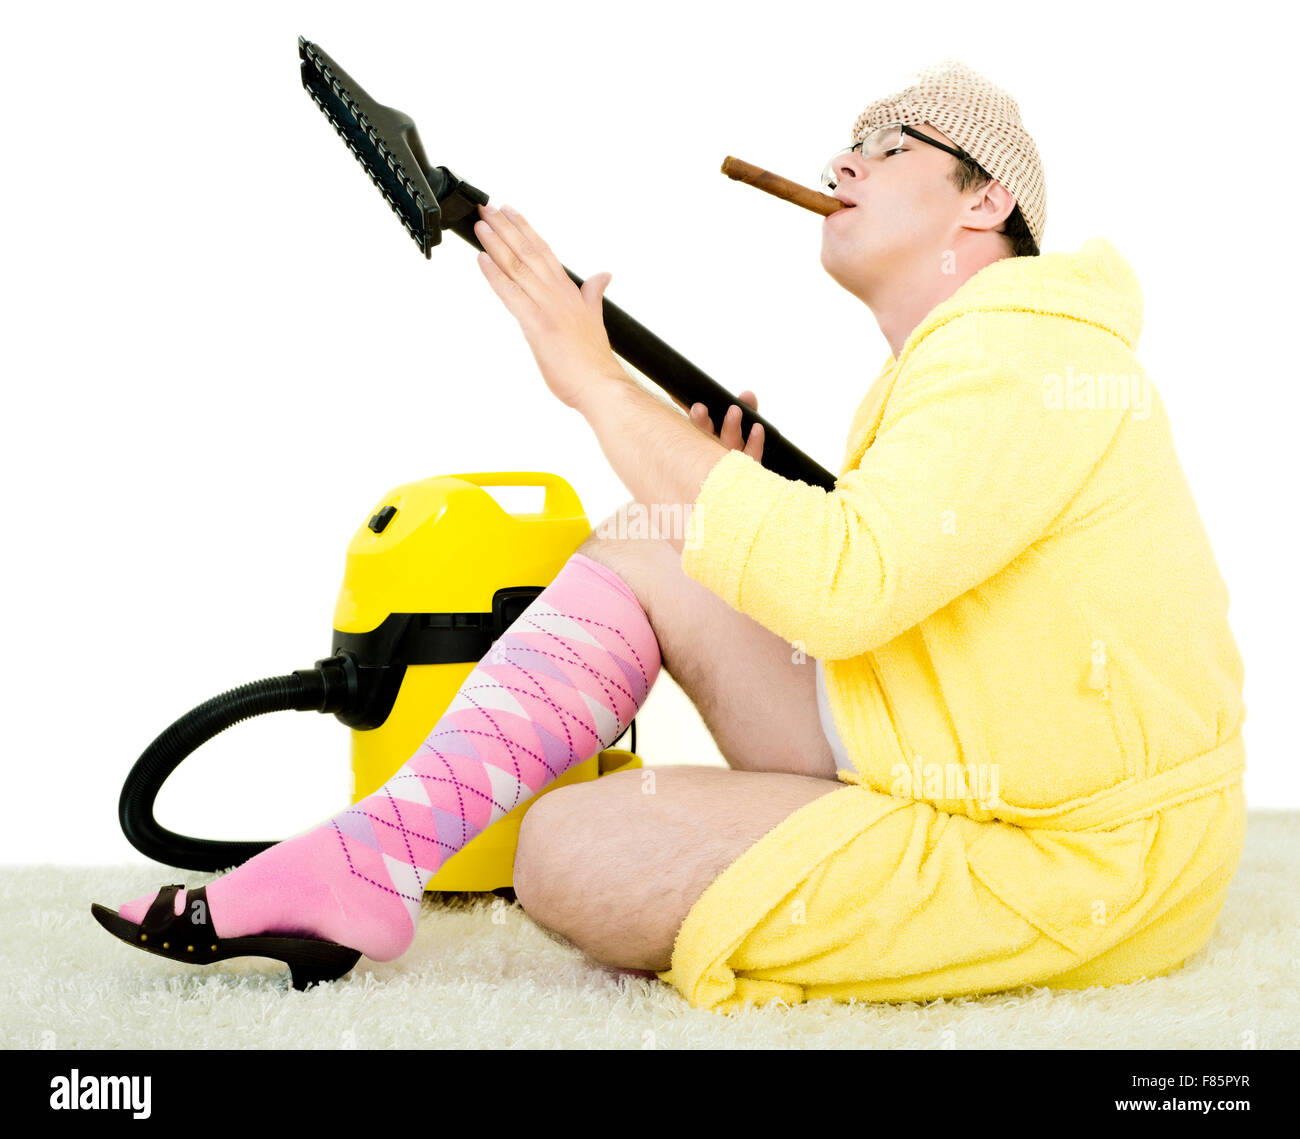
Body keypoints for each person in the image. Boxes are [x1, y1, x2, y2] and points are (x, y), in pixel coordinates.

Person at [95, 61, 1247, 1014]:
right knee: (653, 537)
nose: (842, 161)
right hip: (964, 763)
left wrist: (595, 385)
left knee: (564, 852)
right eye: (848, 141)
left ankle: (365, 862)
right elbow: (893, 575)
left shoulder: (1024, 352)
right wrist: (722, 493)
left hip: (1066, 858)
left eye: (891, 147)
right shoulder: (979, 357)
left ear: (983, 202)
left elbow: (847, 586)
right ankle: (372, 858)